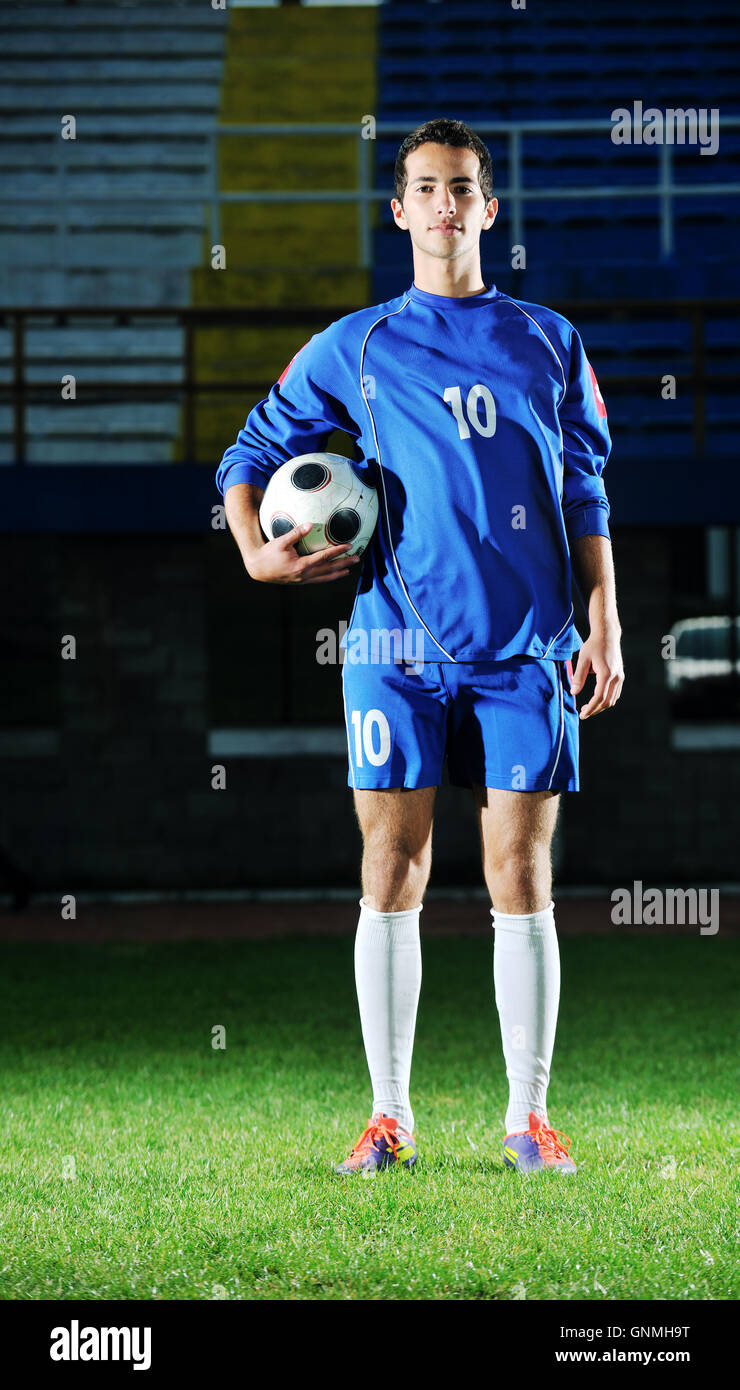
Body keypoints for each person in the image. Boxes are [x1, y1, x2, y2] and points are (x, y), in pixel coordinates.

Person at [216, 117, 624, 1177]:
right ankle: (387, 1116)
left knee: (518, 874)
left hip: (524, 645)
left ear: (490, 208)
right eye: (425, 188)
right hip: (394, 644)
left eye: (463, 188)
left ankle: (526, 1120)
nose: (445, 205)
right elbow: (248, 450)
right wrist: (258, 553)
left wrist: (604, 615)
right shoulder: (354, 345)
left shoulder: (546, 339)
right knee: (390, 867)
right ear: (397, 209)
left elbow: (583, 486)